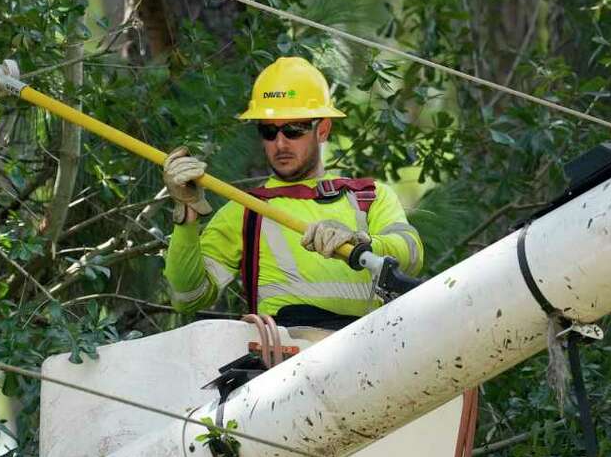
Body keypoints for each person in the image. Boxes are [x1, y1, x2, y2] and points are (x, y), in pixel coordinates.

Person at [161, 57, 423, 328]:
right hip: (285, 355)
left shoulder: (368, 196)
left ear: (322, 130)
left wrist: (361, 242)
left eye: (294, 130)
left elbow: (412, 255)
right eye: (269, 131)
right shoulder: (245, 209)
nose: (280, 143)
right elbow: (188, 297)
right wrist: (186, 218)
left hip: (366, 348)